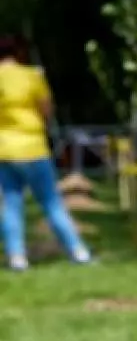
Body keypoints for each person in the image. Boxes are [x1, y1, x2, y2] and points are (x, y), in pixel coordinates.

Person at [0, 35, 92, 271]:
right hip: (32, 147)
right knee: (51, 202)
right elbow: (46, 110)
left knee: (11, 203)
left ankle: (17, 257)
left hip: (5, 150)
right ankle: (78, 251)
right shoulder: (32, 76)